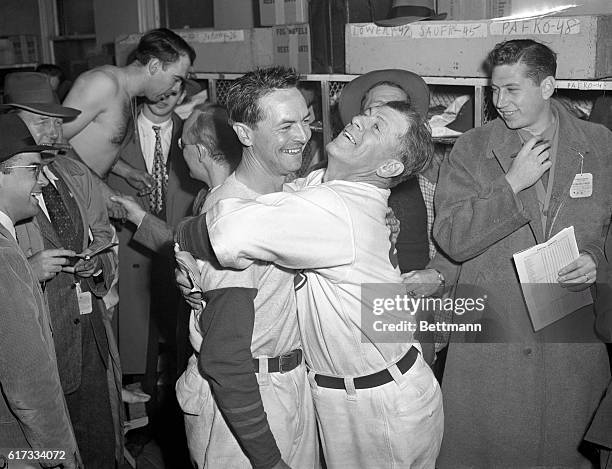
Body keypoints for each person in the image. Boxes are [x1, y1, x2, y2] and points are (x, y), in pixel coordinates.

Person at [176, 100, 444, 468]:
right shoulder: (325, 185)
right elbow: (291, 193)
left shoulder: (335, 211)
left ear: (390, 166)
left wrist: (180, 238)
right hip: (348, 391)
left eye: (376, 127)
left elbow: (226, 229)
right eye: (365, 113)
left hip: (379, 403)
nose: (359, 121)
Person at [433, 39, 611, 467]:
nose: (499, 102)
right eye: (494, 89)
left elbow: (606, 229)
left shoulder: (600, 143)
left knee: (565, 451)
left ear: (547, 85)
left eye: (512, 90)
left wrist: (596, 260)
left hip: (571, 339)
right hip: (495, 342)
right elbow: (452, 237)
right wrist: (512, 183)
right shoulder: (472, 149)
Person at [175, 67, 319, 469]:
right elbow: (225, 356)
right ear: (243, 134)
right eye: (285, 125)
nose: (303, 136)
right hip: (246, 399)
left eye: (305, 121)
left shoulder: (286, 194)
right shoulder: (233, 220)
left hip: (290, 382)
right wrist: (267, 459)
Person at [4, 73, 120, 468]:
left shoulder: (76, 174)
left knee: (100, 436)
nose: (55, 131)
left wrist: (98, 266)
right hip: (42, 338)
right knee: (50, 441)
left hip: (90, 332)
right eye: (42, 121)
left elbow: (106, 238)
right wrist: (29, 270)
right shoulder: (10, 186)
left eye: (57, 120)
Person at [106, 78, 203, 384]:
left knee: (181, 339)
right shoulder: (116, 131)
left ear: (183, 95)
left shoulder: (191, 132)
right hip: (129, 246)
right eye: (161, 91)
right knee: (134, 341)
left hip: (174, 241)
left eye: (174, 93)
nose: (165, 98)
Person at [0, 126, 80, 469]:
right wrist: (59, 453)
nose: (44, 181)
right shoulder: (4, 256)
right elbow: (27, 378)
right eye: (33, 169)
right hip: (17, 449)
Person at [62, 28, 195, 190]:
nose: (175, 87)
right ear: (154, 66)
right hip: (72, 192)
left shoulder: (129, 96)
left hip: (87, 192)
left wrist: (127, 172)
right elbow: (52, 140)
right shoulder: (103, 84)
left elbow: (96, 147)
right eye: (176, 79)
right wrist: (100, 190)